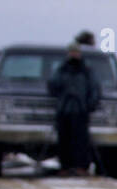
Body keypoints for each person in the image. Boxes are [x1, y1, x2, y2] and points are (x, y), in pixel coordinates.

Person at [46, 43, 100, 176]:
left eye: (76, 52)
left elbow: (94, 88)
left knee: (81, 141)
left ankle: (81, 167)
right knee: (64, 139)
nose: (74, 55)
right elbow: (53, 85)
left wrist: (90, 104)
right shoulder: (62, 70)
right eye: (72, 52)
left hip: (81, 110)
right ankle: (65, 166)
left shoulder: (86, 71)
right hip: (64, 110)